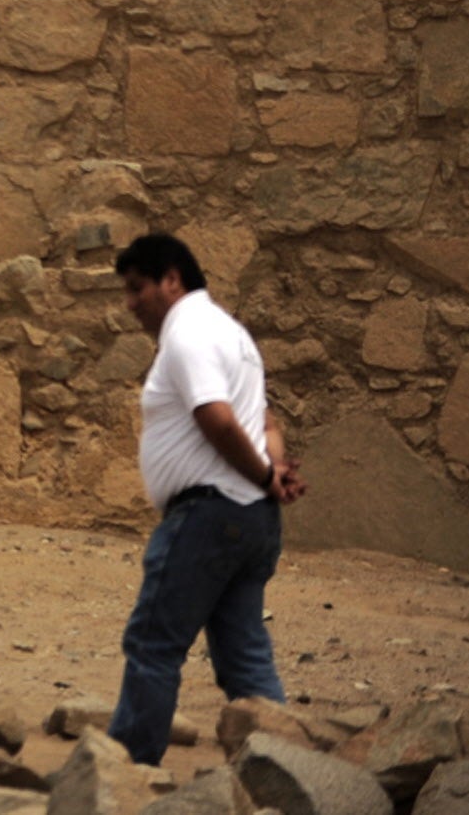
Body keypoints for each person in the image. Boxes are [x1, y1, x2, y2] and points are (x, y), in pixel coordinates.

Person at [107, 231, 302, 764]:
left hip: (209, 515)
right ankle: (289, 771)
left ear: (172, 280)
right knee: (245, 659)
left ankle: (125, 775)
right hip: (251, 517)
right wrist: (272, 474)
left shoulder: (188, 333)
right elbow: (265, 423)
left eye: (137, 288)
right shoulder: (233, 335)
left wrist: (265, 475)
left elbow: (216, 419)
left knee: (154, 644)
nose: (130, 304)